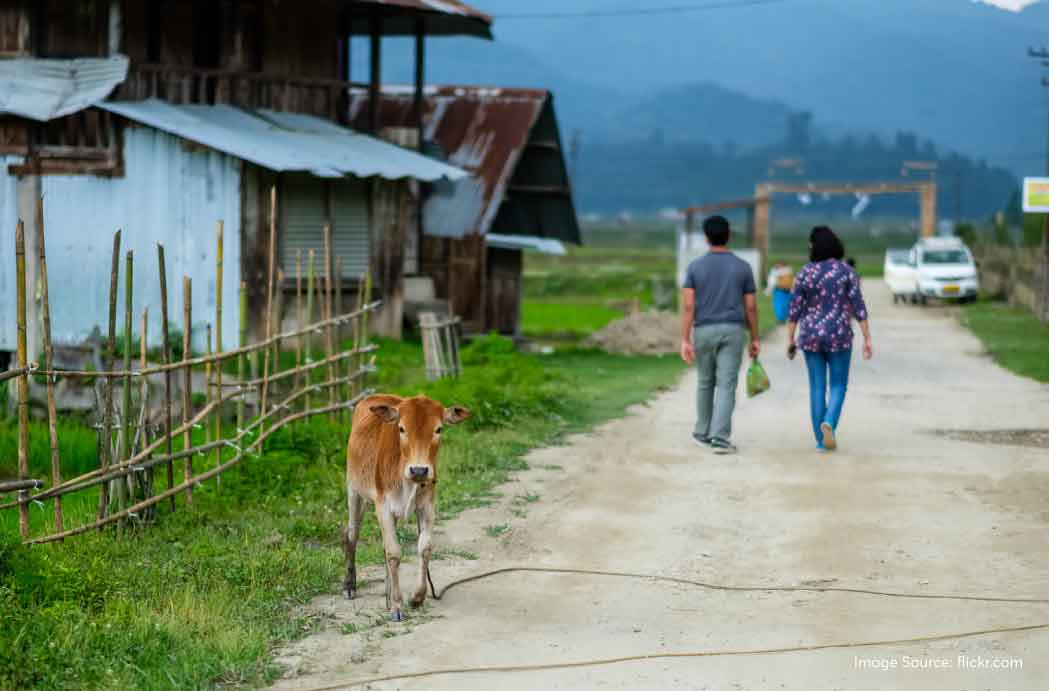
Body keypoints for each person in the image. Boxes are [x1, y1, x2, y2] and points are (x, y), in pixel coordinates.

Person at [786, 226, 872, 452]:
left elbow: (794, 309)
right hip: (839, 334)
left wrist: (790, 339)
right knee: (838, 384)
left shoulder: (805, 272)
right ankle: (830, 423)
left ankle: (820, 441)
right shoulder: (846, 272)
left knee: (816, 386)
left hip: (811, 335)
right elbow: (858, 306)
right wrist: (867, 337)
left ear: (813, 247)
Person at [680, 215, 760, 454]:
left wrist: (685, 339)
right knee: (726, 384)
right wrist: (755, 337)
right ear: (729, 235)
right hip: (733, 330)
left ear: (706, 237)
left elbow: (688, 306)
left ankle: (701, 432)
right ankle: (720, 438)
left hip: (703, 329)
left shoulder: (695, 267)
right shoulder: (743, 267)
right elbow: (751, 307)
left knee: (705, 382)